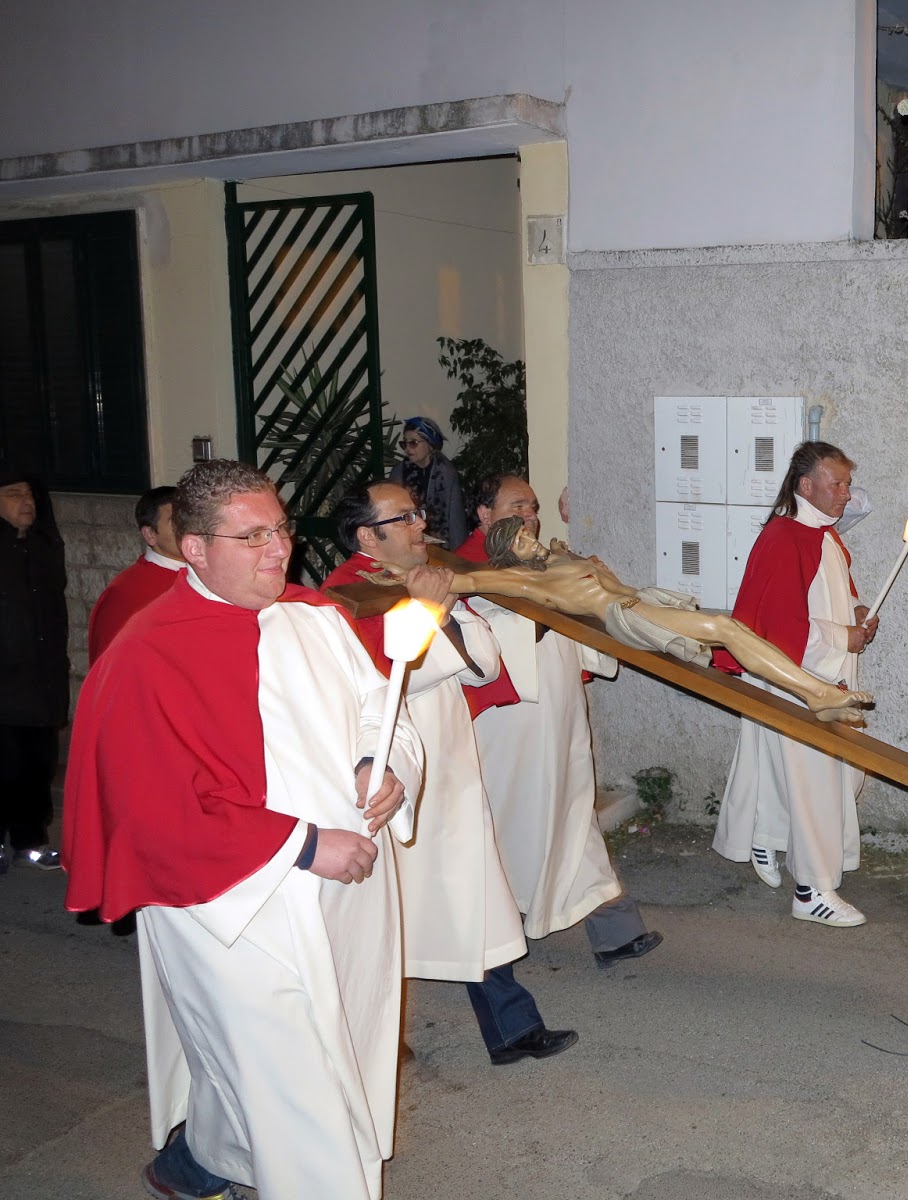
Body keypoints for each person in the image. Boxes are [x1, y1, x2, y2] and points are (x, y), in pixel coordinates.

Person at [61, 459, 422, 1199]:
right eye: (251, 535)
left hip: (343, 899)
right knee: (299, 1092)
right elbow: (151, 808)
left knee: (302, 1063)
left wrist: (381, 765)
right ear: (194, 549)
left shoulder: (315, 617)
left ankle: (202, 1162)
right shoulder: (148, 651)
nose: (277, 549)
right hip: (228, 909)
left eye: (281, 528)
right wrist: (306, 844)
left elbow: (382, 710)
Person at [324, 481, 578, 1067]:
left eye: (418, 513)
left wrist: (436, 610)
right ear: (367, 535)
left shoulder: (425, 572)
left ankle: (512, 1029)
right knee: (381, 914)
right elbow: (382, 684)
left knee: (473, 895)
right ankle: (372, 1037)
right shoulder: (345, 594)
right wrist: (431, 612)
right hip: (392, 772)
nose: (421, 524)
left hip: (451, 763)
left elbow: (482, 661)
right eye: (405, 517)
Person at [356, 516, 873, 723]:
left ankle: (816, 693)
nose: (530, 539)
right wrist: (401, 571)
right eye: (517, 541)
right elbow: (463, 581)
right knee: (728, 629)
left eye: (527, 530)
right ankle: (817, 693)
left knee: (732, 629)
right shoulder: (525, 582)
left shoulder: (558, 560)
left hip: (637, 600)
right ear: (509, 556)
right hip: (623, 616)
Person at [458, 475, 663, 966]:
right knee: (515, 824)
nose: (528, 516)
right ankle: (488, 938)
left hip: (560, 706)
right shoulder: (463, 566)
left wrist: (594, 587)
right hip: (509, 720)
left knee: (573, 813)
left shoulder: (541, 559)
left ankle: (614, 929)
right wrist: (556, 598)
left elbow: (576, 624)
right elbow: (477, 646)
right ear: (484, 516)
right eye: (515, 506)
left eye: (532, 506)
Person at [711, 442, 878, 927]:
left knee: (808, 778)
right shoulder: (785, 537)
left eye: (847, 483)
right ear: (806, 486)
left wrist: (859, 613)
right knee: (812, 784)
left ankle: (770, 837)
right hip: (798, 681)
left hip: (821, 675)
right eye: (837, 483)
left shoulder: (821, 535)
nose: (846, 494)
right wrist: (844, 635)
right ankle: (811, 890)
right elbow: (784, 628)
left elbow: (829, 596)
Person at [0, 472, 69, 873]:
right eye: (13, 495)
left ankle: (31, 839)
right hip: (4, 684)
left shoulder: (44, 547)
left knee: (37, 765)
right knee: (3, 767)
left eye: (30, 494)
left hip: (41, 680)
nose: (26, 502)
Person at [87, 485, 184, 663]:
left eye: (190, 518)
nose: (187, 528)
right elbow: (112, 665)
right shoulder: (126, 594)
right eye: (175, 521)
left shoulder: (209, 574)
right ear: (150, 534)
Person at [389, 416, 469, 549]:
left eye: (413, 443)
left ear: (429, 444)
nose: (407, 448)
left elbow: (456, 522)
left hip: (442, 546)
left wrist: (459, 556)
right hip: (408, 544)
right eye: (404, 443)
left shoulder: (447, 473)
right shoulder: (398, 473)